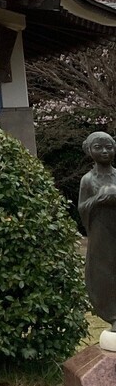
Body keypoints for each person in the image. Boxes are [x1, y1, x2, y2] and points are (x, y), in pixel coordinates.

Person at [79, 131, 116, 325]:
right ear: (89, 151)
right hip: (101, 234)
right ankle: (112, 314)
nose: (104, 152)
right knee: (104, 271)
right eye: (98, 147)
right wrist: (99, 199)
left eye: (109, 147)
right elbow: (82, 208)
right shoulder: (88, 180)